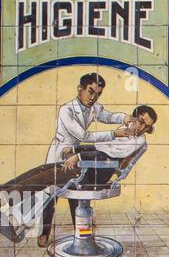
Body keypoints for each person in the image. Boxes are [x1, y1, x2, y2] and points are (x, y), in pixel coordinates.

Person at [0, 106, 156, 245]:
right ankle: (3, 191)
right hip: (89, 168)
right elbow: (99, 146)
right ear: (134, 116)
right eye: (141, 121)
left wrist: (79, 157)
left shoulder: (137, 141)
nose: (142, 128)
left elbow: (107, 157)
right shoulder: (124, 130)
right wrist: (75, 150)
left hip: (96, 174)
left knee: (48, 176)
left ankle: (6, 197)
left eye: (146, 126)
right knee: (43, 169)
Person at [36, 72, 128, 247]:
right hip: (59, 152)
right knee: (51, 196)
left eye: (98, 94)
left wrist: (124, 118)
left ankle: (79, 230)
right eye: (91, 92)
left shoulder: (94, 108)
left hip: (75, 153)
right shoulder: (66, 110)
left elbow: (108, 116)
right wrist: (114, 133)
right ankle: (43, 233)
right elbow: (83, 134)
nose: (94, 97)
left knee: (76, 191)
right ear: (80, 89)